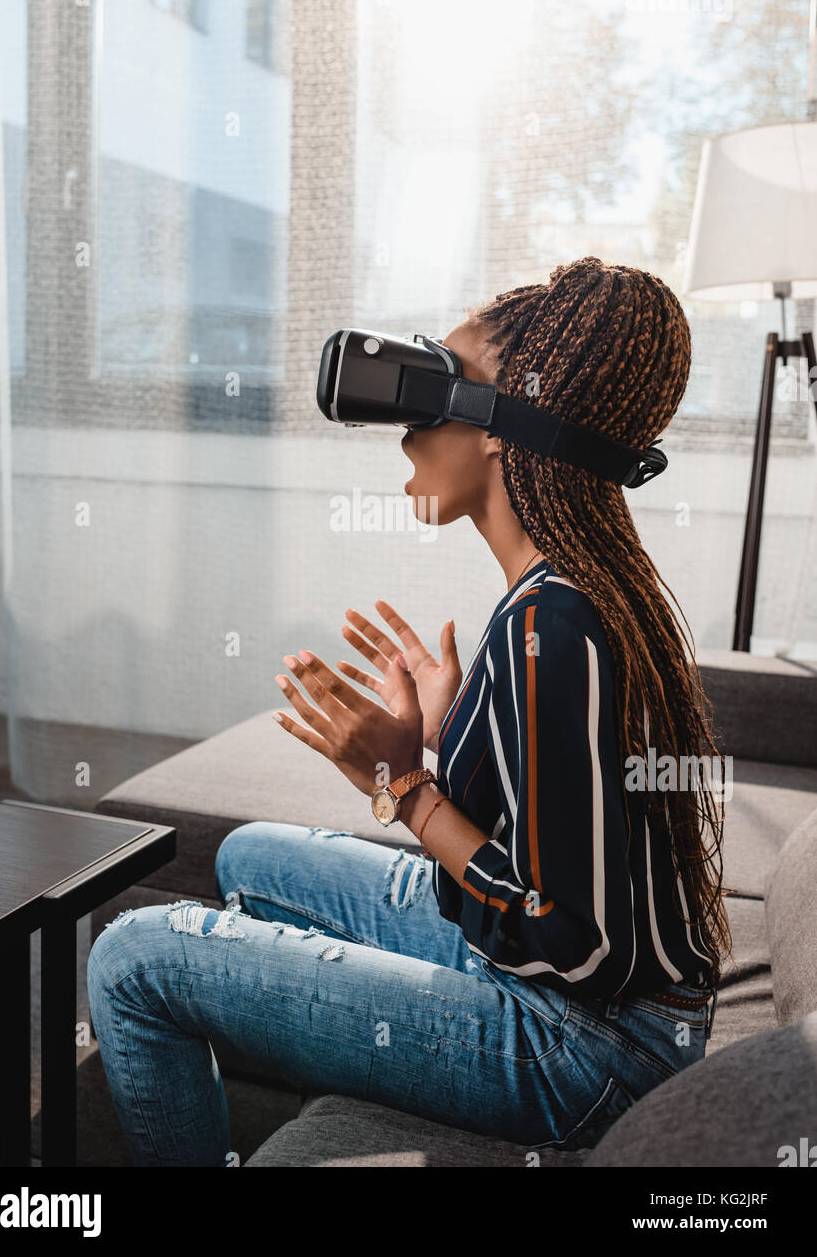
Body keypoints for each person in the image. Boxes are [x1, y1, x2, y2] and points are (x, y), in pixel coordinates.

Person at [87, 255, 730, 1167]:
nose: (402, 436)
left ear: (505, 428)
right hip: (586, 1004)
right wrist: (456, 725)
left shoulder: (556, 624)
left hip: (587, 1049)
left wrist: (400, 784)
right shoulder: (558, 596)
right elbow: (567, 809)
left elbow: (574, 942)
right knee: (247, 854)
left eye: (438, 390)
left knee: (133, 957)